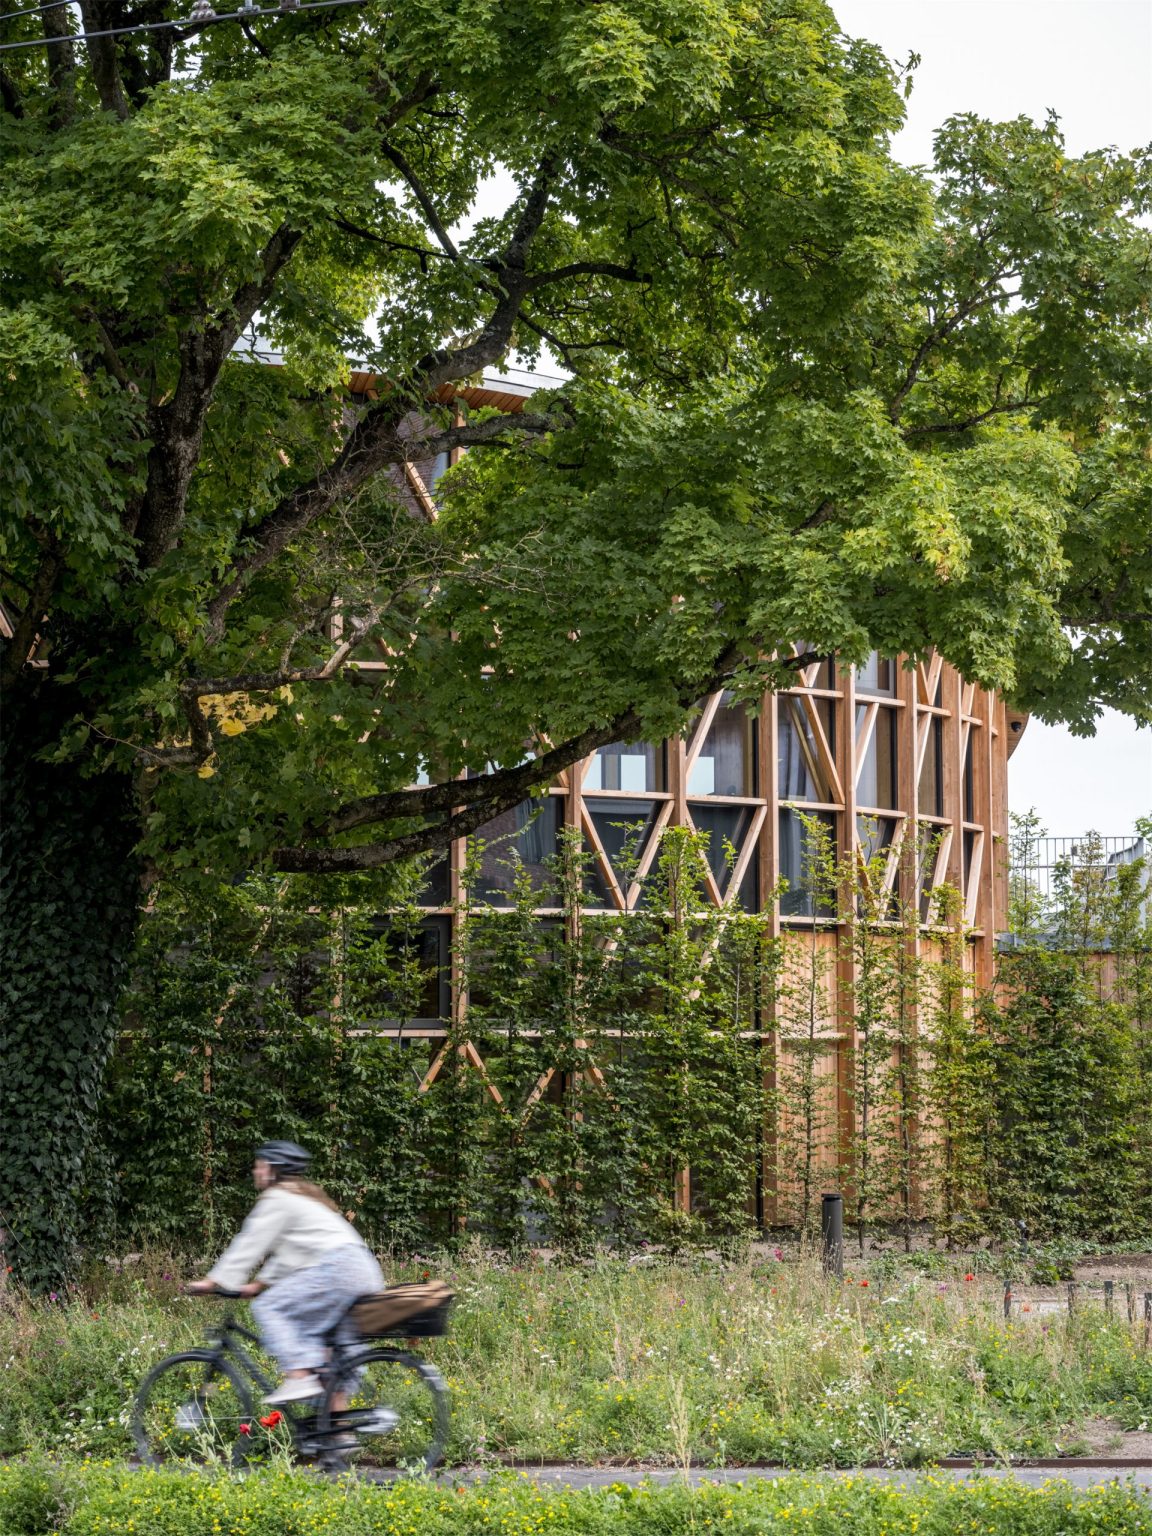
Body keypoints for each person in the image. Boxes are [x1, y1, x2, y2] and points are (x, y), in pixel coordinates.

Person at [188, 1140, 385, 1405]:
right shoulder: (303, 1198)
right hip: (363, 1271)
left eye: (259, 1166)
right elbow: (290, 1254)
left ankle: (299, 1374)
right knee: (330, 1355)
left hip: (339, 1269)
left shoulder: (278, 1197)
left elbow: (250, 1242)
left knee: (269, 1306)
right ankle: (338, 1438)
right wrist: (257, 1285)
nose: (255, 1172)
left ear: (273, 1170)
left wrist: (215, 1280)